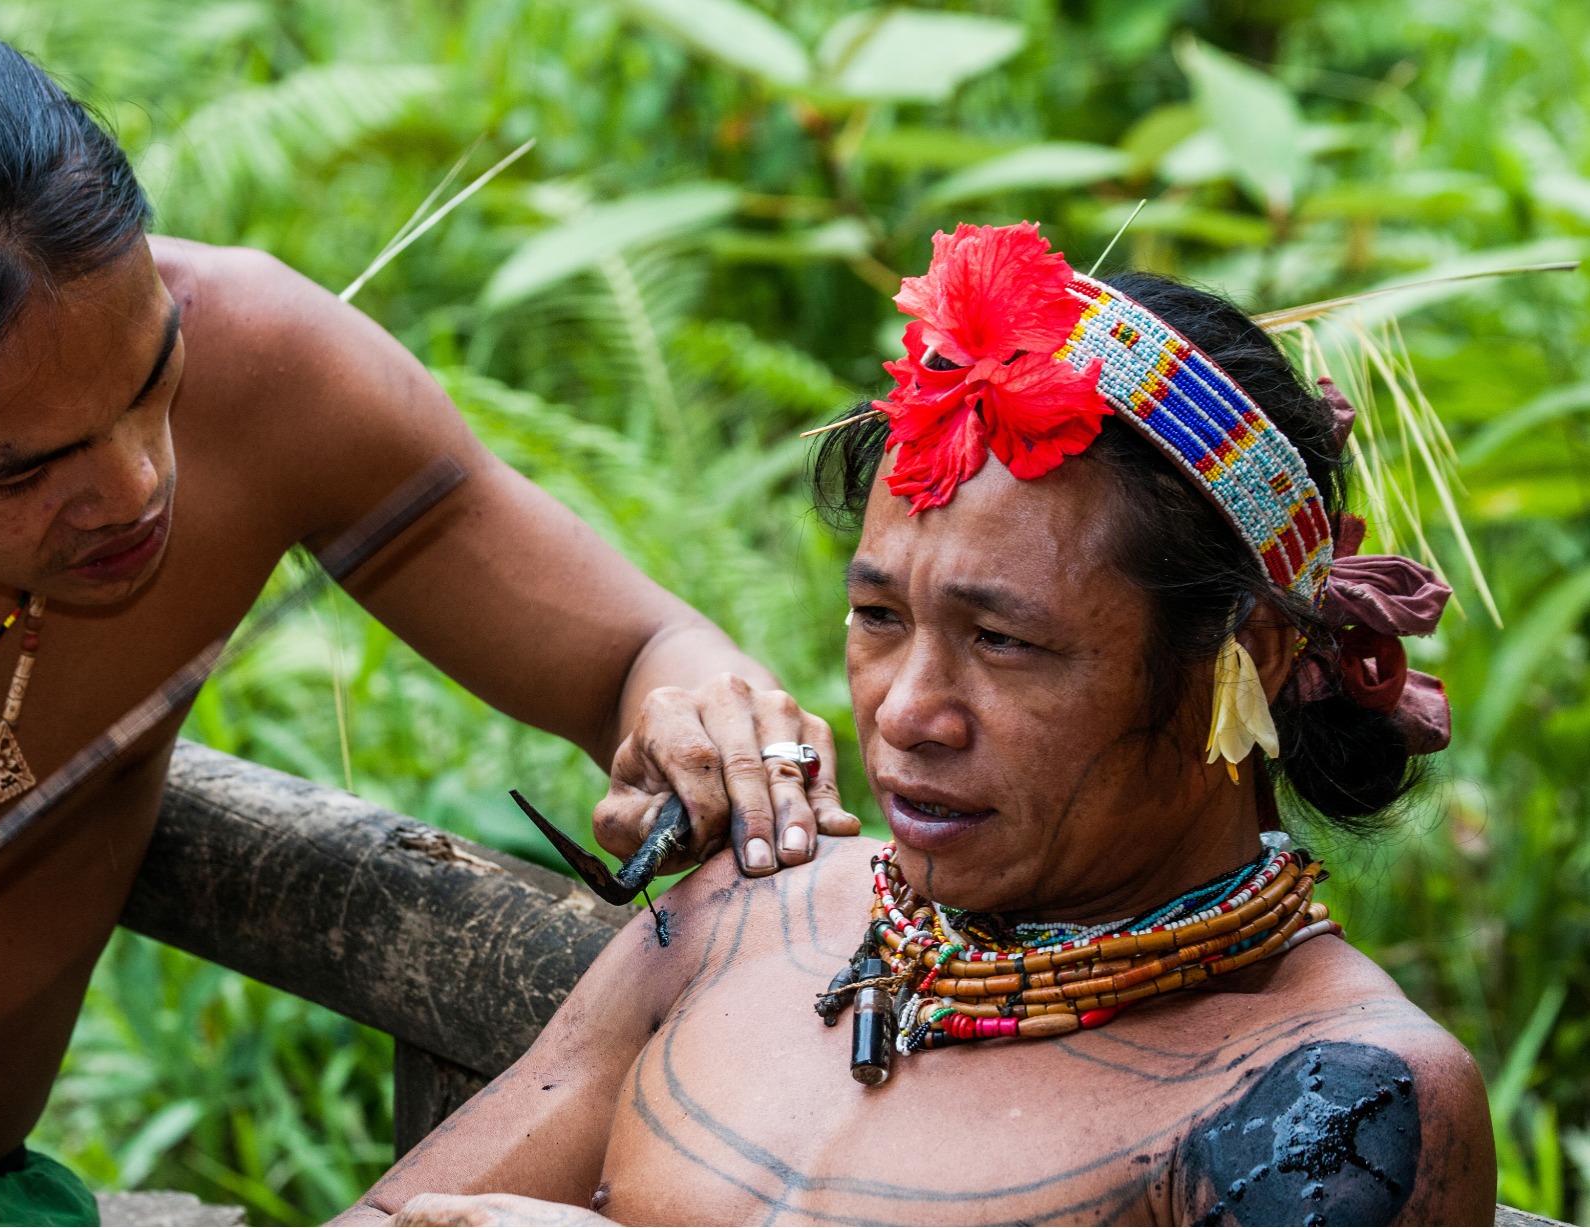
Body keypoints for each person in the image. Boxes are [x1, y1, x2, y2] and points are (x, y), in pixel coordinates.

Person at [0, 14, 861, 1224]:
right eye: (21, 470)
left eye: (151, 375)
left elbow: (634, 648)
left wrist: (705, 713)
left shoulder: (265, 367)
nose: (136, 485)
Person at [341, 224, 1497, 1227]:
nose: (905, 711)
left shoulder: (1322, 1097)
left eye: (1004, 642)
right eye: (879, 614)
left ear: (1243, 656)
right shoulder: (745, 916)